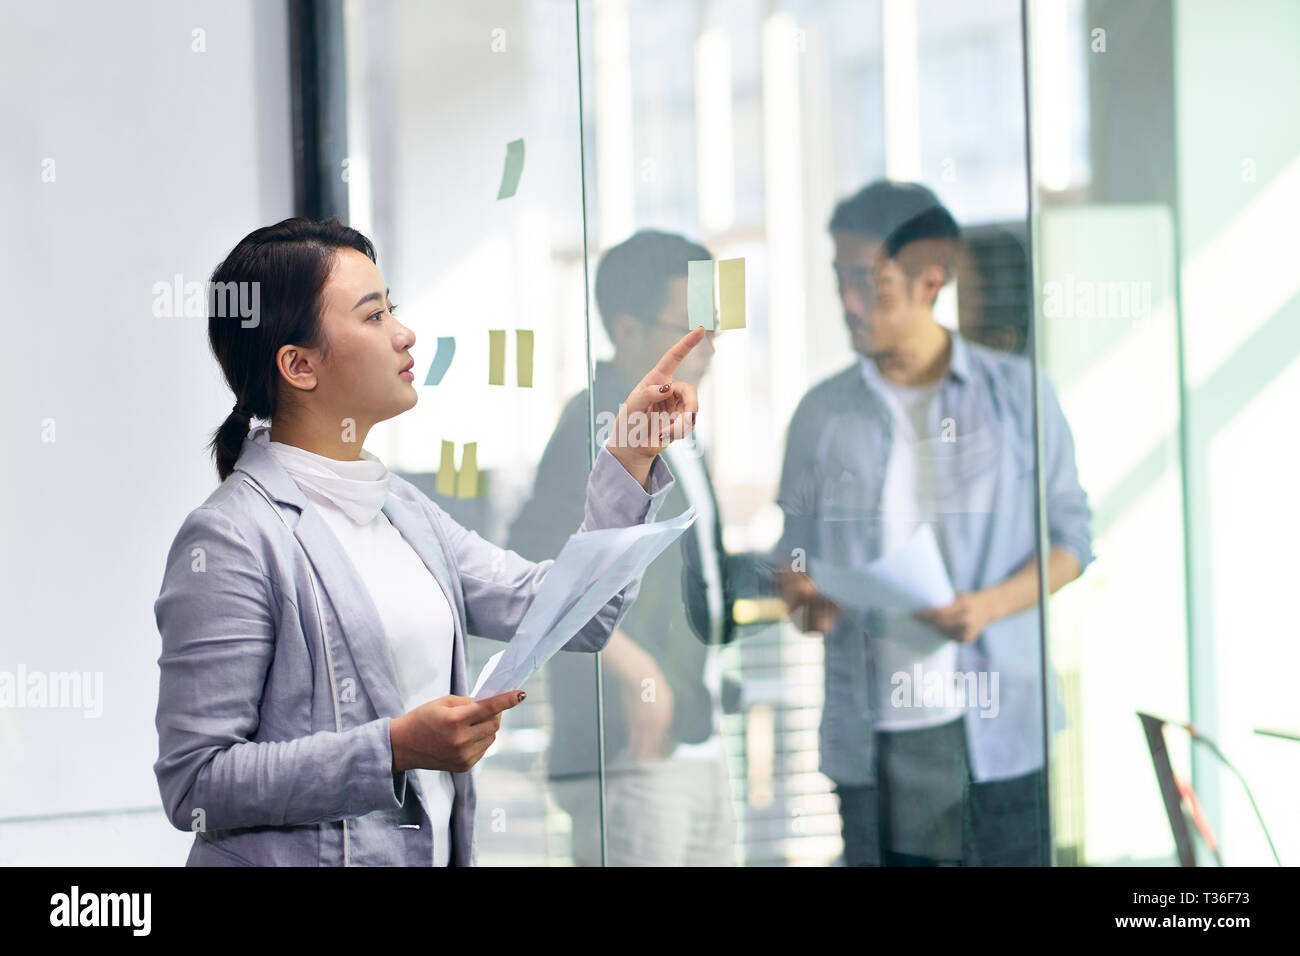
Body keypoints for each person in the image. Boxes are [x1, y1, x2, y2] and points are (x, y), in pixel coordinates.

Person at [152, 216, 706, 866]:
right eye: (373, 316)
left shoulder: (402, 510)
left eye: (394, 309)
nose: (405, 333)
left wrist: (629, 459)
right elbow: (196, 782)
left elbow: (572, 616)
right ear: (299, 365)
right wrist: (392, 748)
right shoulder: (233, 536)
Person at [772, 181, 1094, 866]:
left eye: (870, 283)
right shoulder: (820, 414)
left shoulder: (1018, 397)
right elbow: (792, 557)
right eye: (841, 280)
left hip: (998, 727)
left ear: (930, 282)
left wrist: (987, 608)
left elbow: (1071, 541)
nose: (850, 304)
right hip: (873, 739)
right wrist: (804, 598)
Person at [506, 230, 740, 866]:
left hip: (697, 735)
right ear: (628, 328)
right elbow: (531, 565)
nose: (710, 348)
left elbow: (699, 574)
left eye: (714, 328)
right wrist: (634, 666)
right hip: (627, 751)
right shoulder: (594, 423)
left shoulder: (678, 423)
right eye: (691, 330)